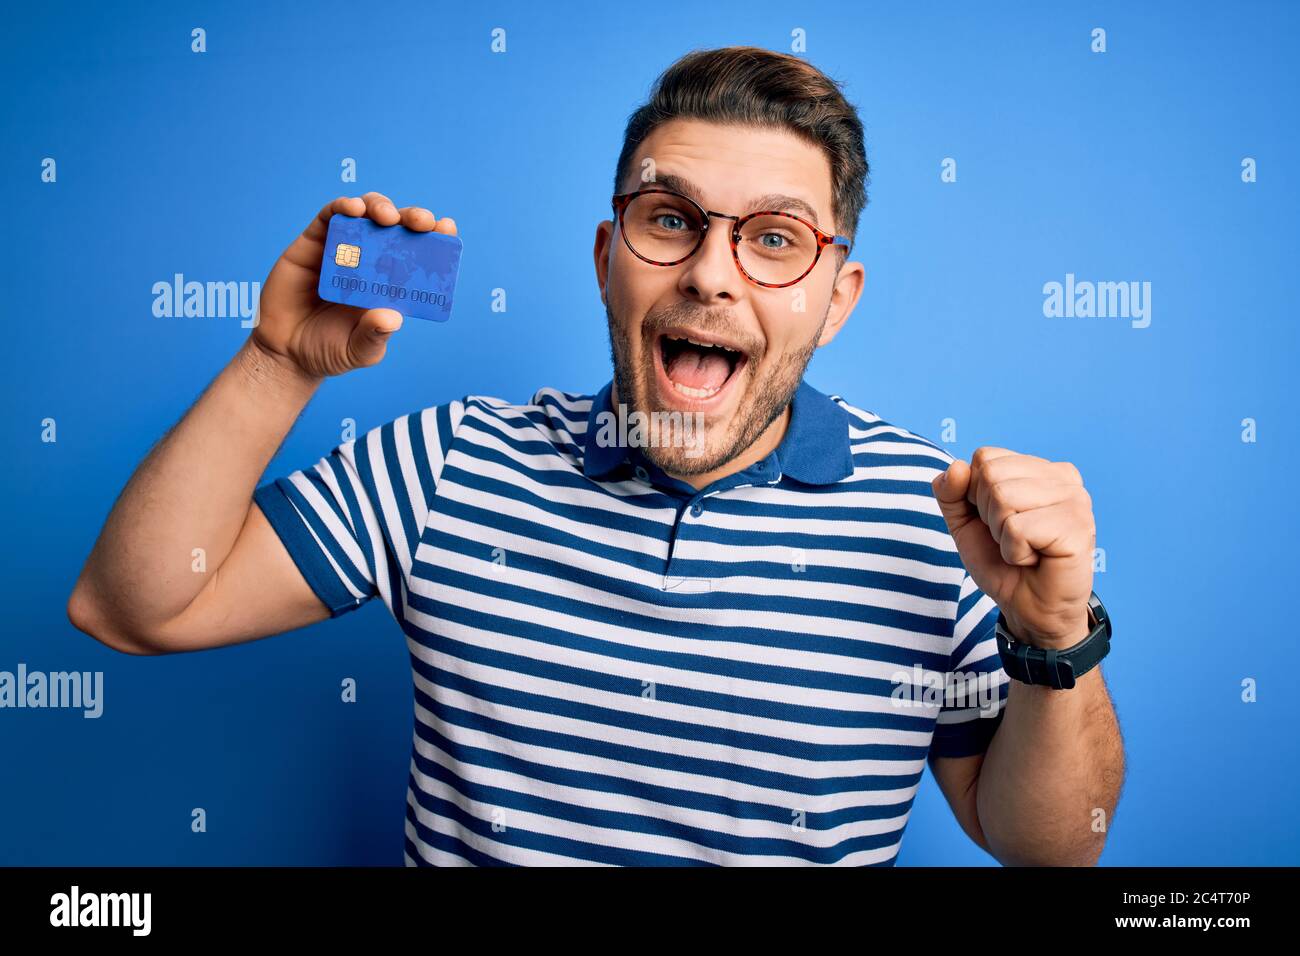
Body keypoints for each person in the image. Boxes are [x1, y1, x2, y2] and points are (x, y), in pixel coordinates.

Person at [68, 45, 1123, 866]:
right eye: (670, 220)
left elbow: (1049, 842)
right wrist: (276, 362)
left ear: (834, 298)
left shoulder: (936, 521)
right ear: (607, 258)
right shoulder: (449, 464)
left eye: (772, 238)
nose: (712, 275)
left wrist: (1051, 635)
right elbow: (135, 606)